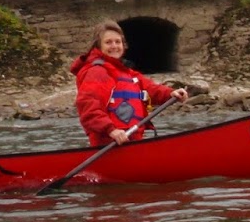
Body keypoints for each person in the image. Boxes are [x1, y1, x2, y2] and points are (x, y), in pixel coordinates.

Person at [70, 19, 187, 147]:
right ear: (99, 46)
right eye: (108, 42)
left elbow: (151, 88)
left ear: (123, 45)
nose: (114, 46)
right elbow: (88, 107)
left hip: (132, 141)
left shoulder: (128, 73)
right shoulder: (97, 72)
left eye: (118, 42)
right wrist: (111, 130)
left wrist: (171, 93)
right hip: (109, 145)